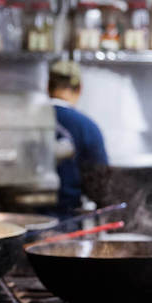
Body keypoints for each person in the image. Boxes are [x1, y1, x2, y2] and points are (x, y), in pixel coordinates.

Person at [47, 60, 108, 215]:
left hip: (21, 221)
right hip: (67, 221)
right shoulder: (87, 127)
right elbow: (101, 185)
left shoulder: (25, 120)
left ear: (48, 87)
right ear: (80, 88)